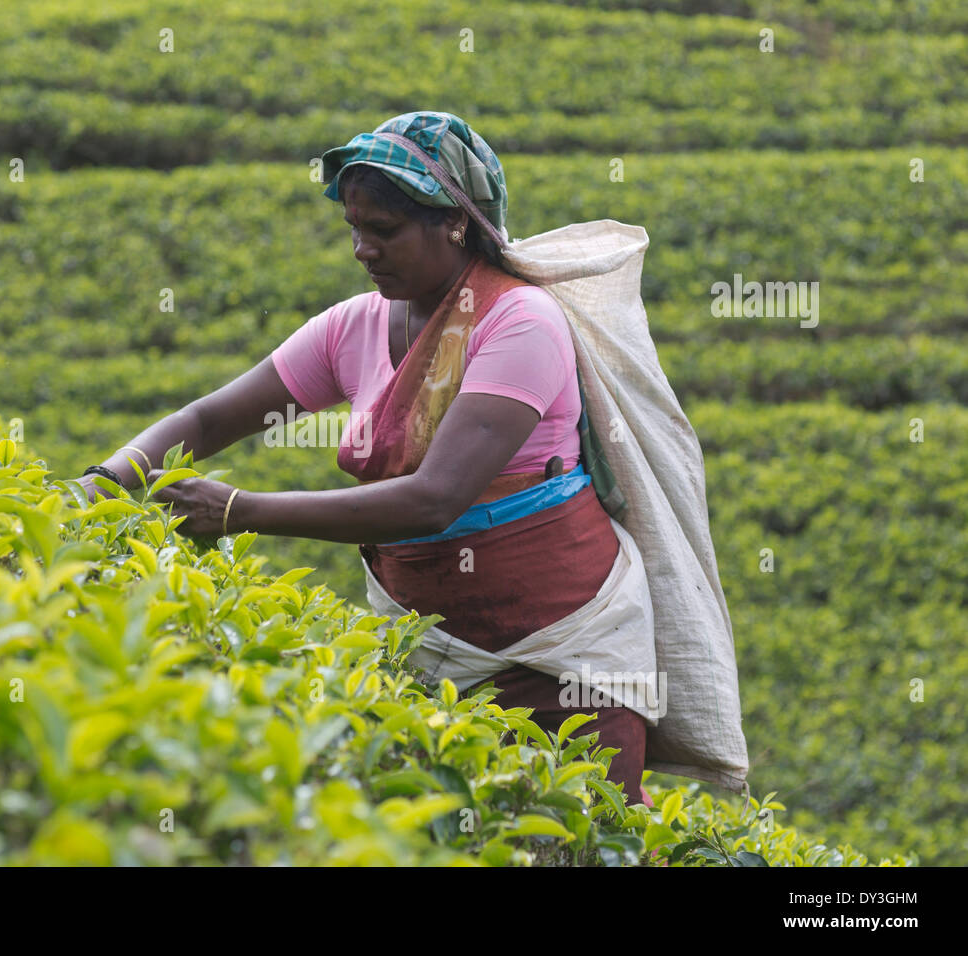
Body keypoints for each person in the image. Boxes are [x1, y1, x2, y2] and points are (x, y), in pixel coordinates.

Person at [70, 111, 653, 807]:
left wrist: (234, 510)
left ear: (456, 223)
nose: (361, 249)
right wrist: (104, 481)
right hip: (430, 647)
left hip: (558, 652)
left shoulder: (519, 322)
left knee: (576, 829)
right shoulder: (357, 325)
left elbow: (435, 498)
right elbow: (209, 417)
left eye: (384, 232)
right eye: (354, 228)